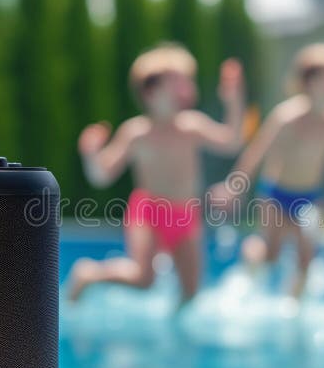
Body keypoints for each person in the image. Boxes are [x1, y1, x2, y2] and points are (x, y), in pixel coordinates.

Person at [68, 43, 246, 305]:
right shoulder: (137, 132)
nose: (186, 88)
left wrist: (234, 102)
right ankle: (89, 274)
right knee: (143, 278)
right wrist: (91, 155)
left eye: (186, 81)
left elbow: (232, 141)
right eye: (177, 82)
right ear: (150, 91)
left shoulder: (191, 126)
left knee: (190, 292)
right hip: (148, 212)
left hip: (185, 214)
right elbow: (102, 175)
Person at [211, 43, 324, 299]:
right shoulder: (286, 117)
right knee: (271, 255)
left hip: (311, 198)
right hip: (276, 195)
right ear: (308, 80)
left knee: (307, 257)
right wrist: (233, 186)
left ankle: (293, 305)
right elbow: (257, 153)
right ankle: (252, 254)